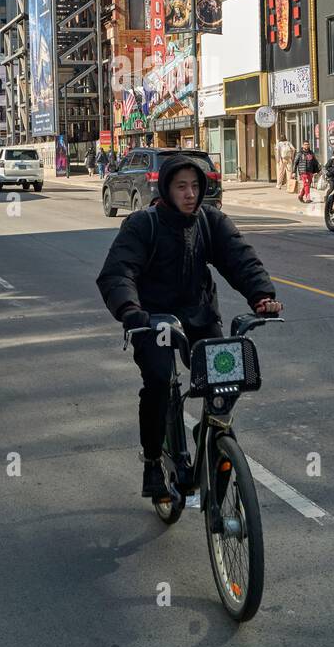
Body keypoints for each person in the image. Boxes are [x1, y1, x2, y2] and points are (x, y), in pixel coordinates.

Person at [97, 153, 282, 502]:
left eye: (195, 186)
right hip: (154, 321)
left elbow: (239, 258)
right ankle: (153, 460)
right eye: (181, 186)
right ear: (166, 188)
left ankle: (210, 434)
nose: (190, 194)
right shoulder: (142, 225)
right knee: (157, 381)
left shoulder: (209, 221)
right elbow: (119, 273)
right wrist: (130, 310)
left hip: (199, 315)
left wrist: (261, 296)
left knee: (225, 381)